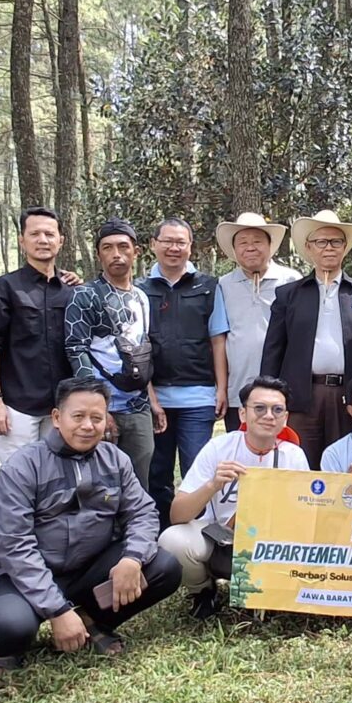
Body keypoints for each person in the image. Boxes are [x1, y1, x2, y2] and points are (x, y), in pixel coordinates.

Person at [0, 376, 183, 671]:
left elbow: (143, 513)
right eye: (78, 416)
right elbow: (15, 547)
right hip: (26, 575)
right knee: (4, 629)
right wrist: (57, 610)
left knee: (164, 567)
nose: (88, 426)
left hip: (88, 571)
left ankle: (91, 618)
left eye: (96, 418)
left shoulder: (115, 459)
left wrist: (132, 558)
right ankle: (24, 636)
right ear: (57, 418)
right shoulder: (23, 466)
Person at [159, 375, 312, 618]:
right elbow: (178, 515)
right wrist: (212, 484)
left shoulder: (294, 456)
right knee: (173, 540)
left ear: (285, 418)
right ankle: (203, 592)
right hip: (221, 537)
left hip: (270, 544)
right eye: (259, 408)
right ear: (242, 414)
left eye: (277, 409)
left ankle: (267, 596)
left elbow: (304, 518)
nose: (268, 415)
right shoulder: (220, 448)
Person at [260, 210, 352, 468]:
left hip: (350, 397)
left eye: (335, 242)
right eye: (321, 242)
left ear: (345, 247)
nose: (329, 248)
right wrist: (269, 396)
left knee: (346, 468)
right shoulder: (289, 295)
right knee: (301, 466)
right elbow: (273, 351)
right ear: (308, 247)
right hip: (302, 396)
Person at [141, 217, 231, 512]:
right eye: (167, 241)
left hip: (199, 397)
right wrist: (150, 396)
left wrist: (222, 388)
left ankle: (199, 535)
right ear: (154, 244)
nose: (173, 248)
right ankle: (162, 536)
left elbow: (217, 339)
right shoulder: (140, 289)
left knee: (198, 470)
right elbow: (137, 347)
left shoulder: (208, 286)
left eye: (181, 242)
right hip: (155, 400)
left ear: (190, 247)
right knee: (158, 472)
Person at [0, 206, 76, 463]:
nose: (43, 240)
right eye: (34, 234)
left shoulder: (72, 290)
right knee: (13, 478)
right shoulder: (6, 287)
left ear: (61, 240)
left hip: (61, 405)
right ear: (22, 241)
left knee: (56, 479)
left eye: (49, 234)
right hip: (17, 406)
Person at [65, 218, 157, 488]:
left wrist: (152, 400)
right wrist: (96, 410)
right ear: (98, 254)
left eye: (123, 247)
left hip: (137, 406)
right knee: (98, 485)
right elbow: (76, 350)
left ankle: (138, 530)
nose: (116, 254)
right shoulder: (84, 296)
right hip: (100, 410)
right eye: (108, 248)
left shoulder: (142, 297)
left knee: (139, 482)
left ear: (136, 251)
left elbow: (141, 350)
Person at [216, 212, 302, 431]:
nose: (250, 247)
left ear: (270, 245)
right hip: (239, 391)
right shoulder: (223, 285)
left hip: (281, 391)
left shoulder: (291, 281)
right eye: (243, 242)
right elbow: (219, 339)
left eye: (257, 241)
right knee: (240, 454)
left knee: (281, 455)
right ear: (234, 249)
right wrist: (222, 389)